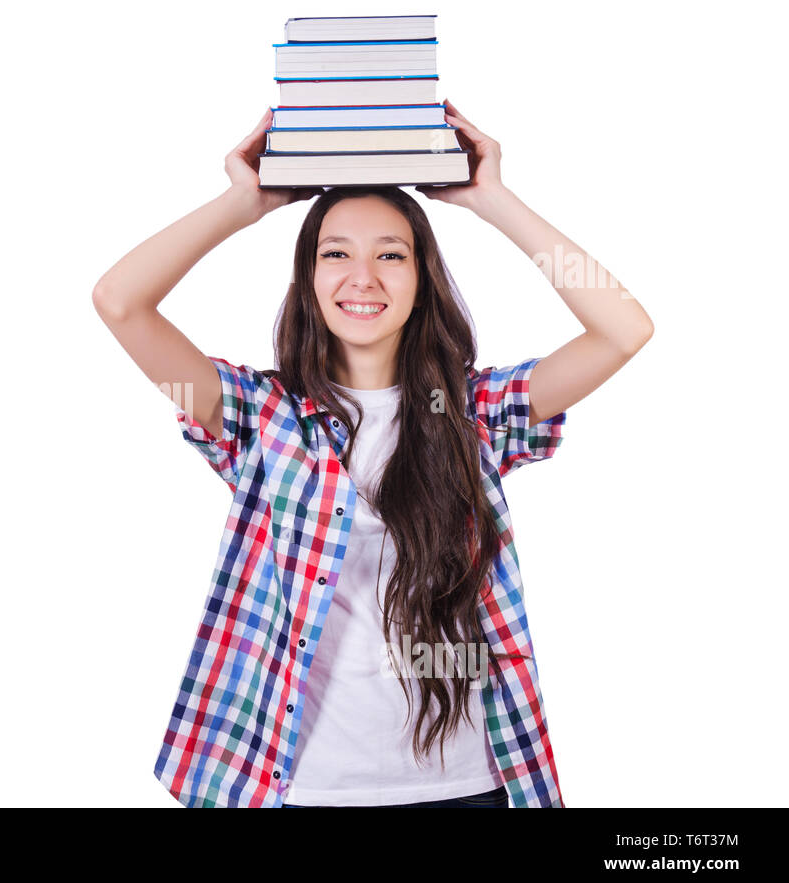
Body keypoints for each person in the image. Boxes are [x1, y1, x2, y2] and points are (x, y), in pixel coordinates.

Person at [91, 100, 653, 808]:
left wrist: (494, 200)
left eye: (391, 254)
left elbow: (624, 330)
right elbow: (119, 302)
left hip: (469, 784)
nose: (364, 277)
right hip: (306, 788)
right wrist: (244, 203)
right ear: (309, 279)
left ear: (421, 280)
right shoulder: (259, 419)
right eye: (336, 254)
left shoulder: (476, 415)